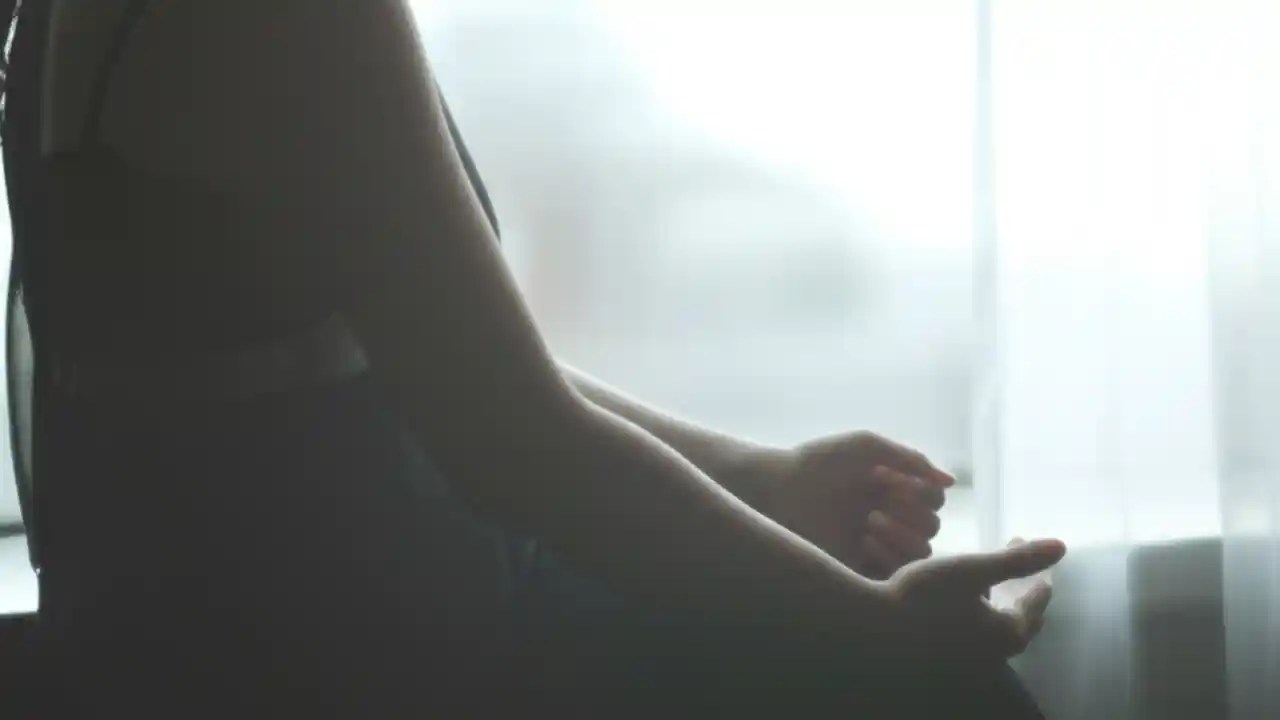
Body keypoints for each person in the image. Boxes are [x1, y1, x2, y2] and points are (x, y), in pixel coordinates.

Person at [1, 0, 1065, 716]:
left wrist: (760, 476)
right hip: (371, 667)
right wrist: (871, 638)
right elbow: (517, 446)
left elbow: (430, 354)